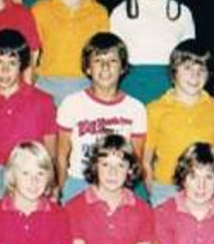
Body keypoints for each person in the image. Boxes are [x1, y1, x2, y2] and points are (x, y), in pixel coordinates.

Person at [56, 33, 148, 203]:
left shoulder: (136, 108)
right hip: (79, 183)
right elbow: (61, 156)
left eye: (113, 61)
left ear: (122, 68)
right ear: (88, 68)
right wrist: (61, 193)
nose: (105, 67)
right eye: (98, 60)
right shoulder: (71, 103)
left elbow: (136, 159)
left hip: (117, 185)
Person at [143, 39, 214, 207]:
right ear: (174, 72)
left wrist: (213, 191)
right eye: (187, 68)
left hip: (207, 190)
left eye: (201, 70)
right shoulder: (154, 110)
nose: (195, 75)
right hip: (167, 190)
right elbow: (145, 161)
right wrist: (155, 191)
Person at [0, 29, 56, 204]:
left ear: (22, 65)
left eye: (12, 63)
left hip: (33, 175)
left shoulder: (43, 101)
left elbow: (51, 151)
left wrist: (52, 184)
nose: (4, 70)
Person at [109, 0, 197, 104]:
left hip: (170, 88)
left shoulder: (182, 13)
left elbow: (189, 59)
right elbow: (114, 57)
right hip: (131, 87)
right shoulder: (120, 12)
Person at [32, 0, 110, 105]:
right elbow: (31, 58)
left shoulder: (99, 12)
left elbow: (103, 56)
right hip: (47, 85)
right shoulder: (40, 9)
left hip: (85, 85)